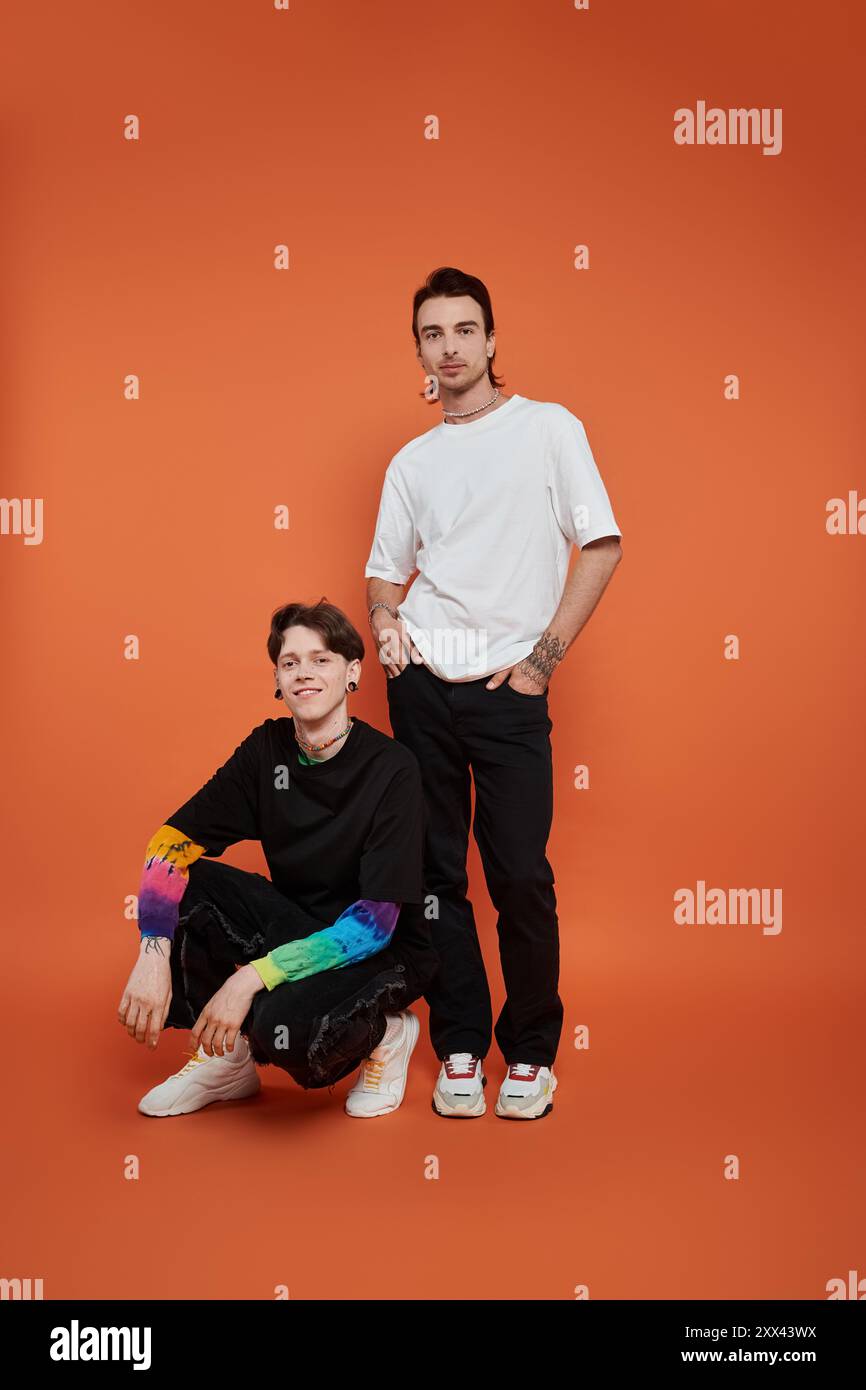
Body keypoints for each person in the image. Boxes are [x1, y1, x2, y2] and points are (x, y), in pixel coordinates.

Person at [364, 265, 623, 1121]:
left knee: (520, 874)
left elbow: (601, 546)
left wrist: (542, 662)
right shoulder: (413, 461)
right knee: (436, 875)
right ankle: (462, 1047)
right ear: (420, 351)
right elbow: (382, 574)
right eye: (433, 334)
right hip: (423, 691)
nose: (451, 346)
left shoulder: (548, 430)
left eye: (465, 330)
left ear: (491, 339)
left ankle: (533, 1052)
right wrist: (387, 628)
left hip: (510, 688)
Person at [117, 600, 438, 1119]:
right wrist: (152, 949)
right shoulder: (265, 750)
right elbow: (170, 843)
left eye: (321, 659)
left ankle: (388, 1033)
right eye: (291, 663)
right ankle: (228, 1058)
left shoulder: (392, 769)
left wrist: (249, 978)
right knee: (189, 885)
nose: (304, 673)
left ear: (353, 672)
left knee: (282, 1029)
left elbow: (375, 924)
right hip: (299, 925)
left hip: (383, 950)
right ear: (277, 678)